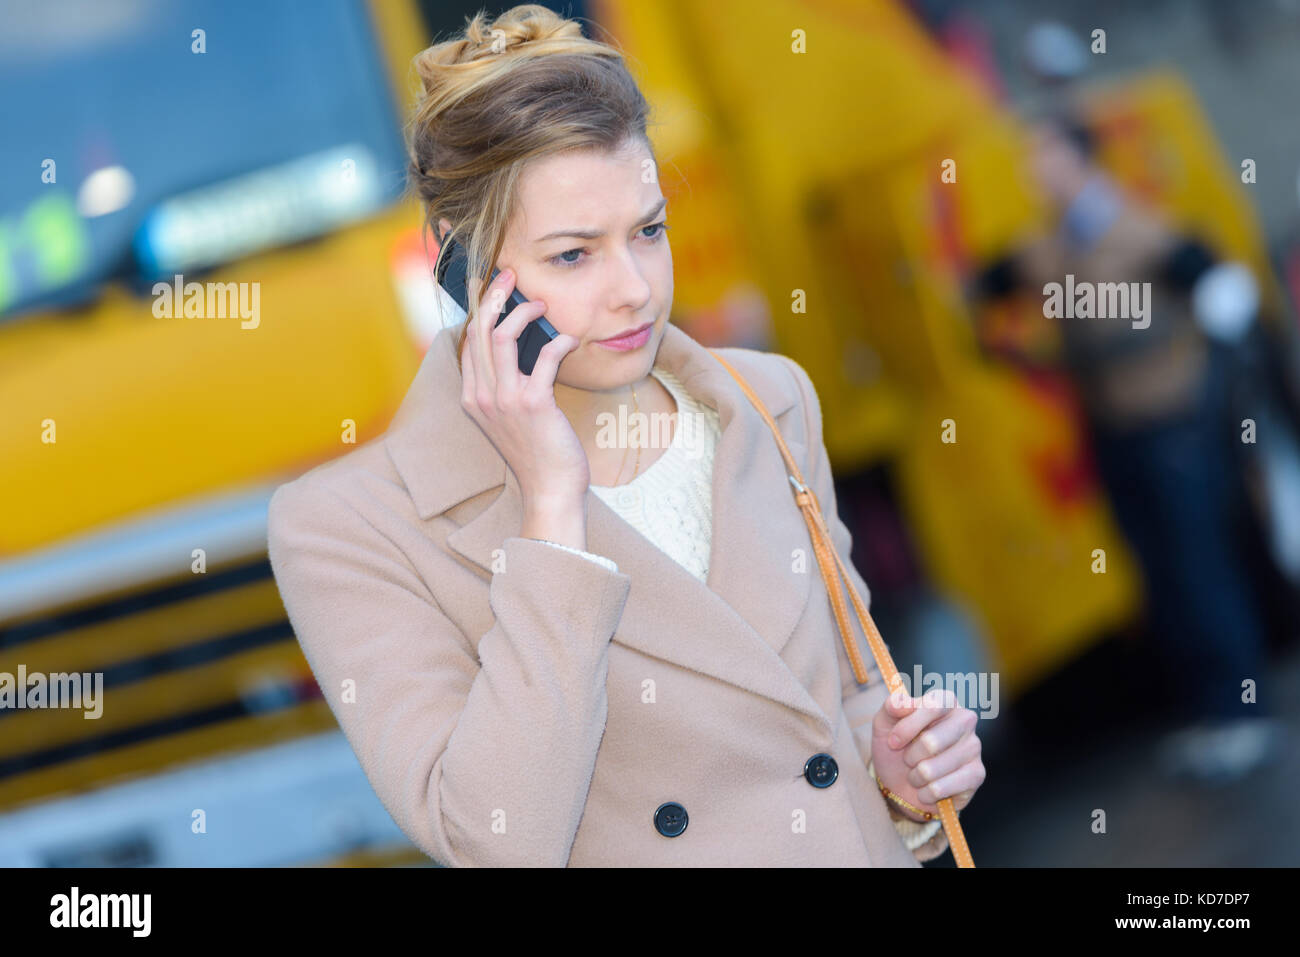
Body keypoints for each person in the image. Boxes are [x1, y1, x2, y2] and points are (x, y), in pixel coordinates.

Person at [266, 4, 983, 867]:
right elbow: (496, 839)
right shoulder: (347, 527)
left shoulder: (768, 400)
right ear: (467, 269)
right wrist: (552, 511)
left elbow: (847, 702)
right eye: (574, 255)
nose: (634, 289)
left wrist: (901, 779)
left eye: (648, 232)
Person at [977, 114, 1285, 783]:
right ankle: (1208, 709)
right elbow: (986, 284)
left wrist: (1216, 391)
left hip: (1172, 418)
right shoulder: (1046, 245)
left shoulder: (1139, 227)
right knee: (1157, 572)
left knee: (1197, 561)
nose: (1035, 167)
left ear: (1080, 157)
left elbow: (1223, 293)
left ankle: (1243, 708)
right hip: (1110, 425)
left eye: (1047, 153)